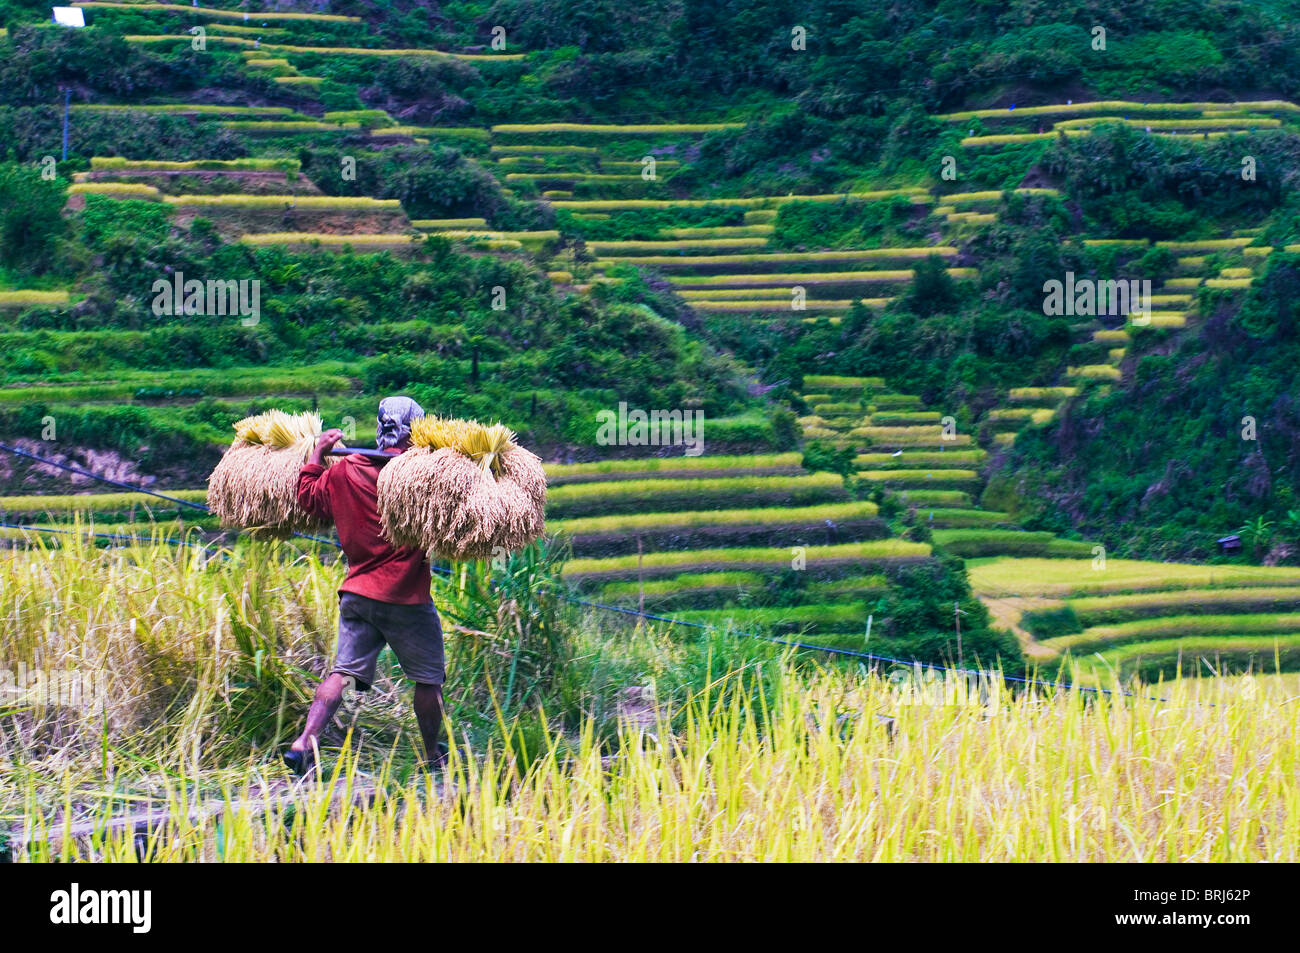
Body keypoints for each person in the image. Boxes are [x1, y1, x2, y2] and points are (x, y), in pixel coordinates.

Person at [283, 396, 446, 775]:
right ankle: (430, 754)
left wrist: (318, 454)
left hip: (357, 594)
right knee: (428, 679)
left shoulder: (345, 471)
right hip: (407, 598)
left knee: (341, 672)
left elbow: (307, 497)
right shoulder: (421, 476)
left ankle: (304, 741)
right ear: (417, 430)